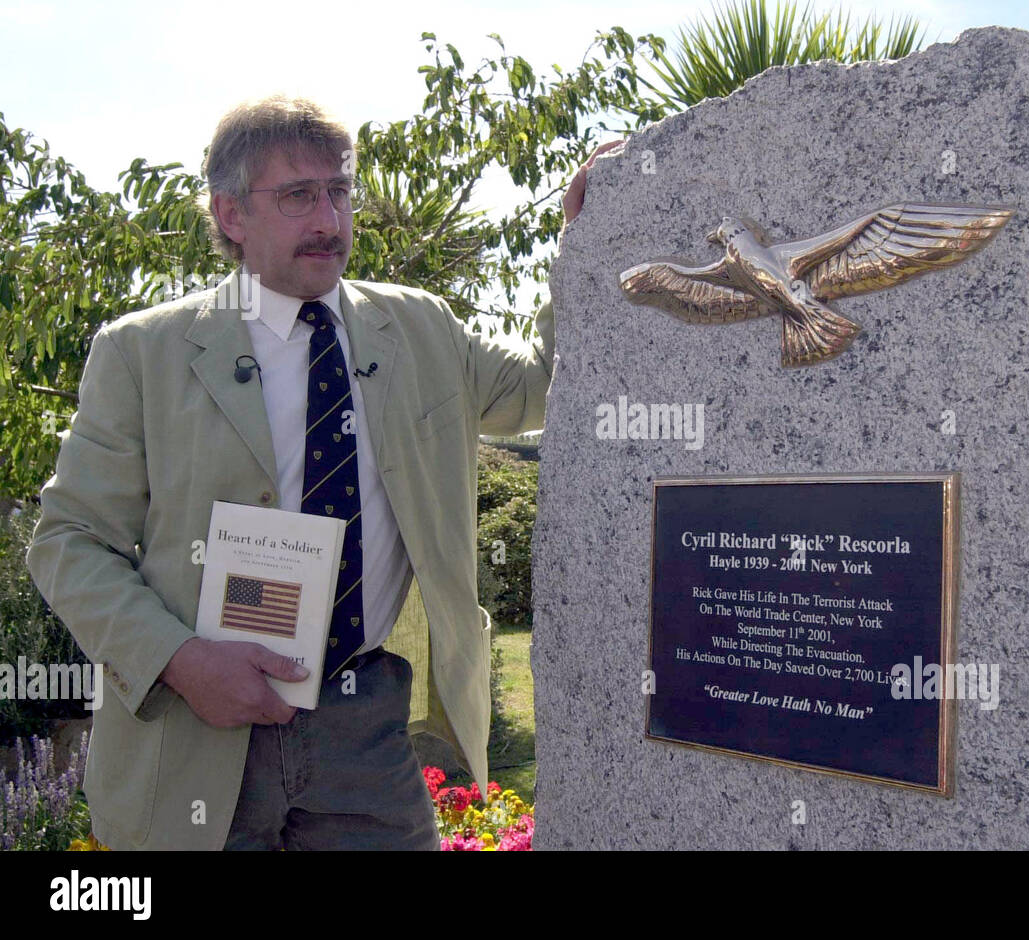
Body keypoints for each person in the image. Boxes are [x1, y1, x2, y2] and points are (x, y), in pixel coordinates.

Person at [24, 95, 618, 850]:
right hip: (197, 731)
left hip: (363, 727)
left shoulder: (422, 328)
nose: (329, 220)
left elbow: (545, 384)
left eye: (339, 191)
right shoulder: (141, 353)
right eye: (299, 195)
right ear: (231, 214)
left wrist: (587, 236)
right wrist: (181, 660)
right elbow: (69, 542)